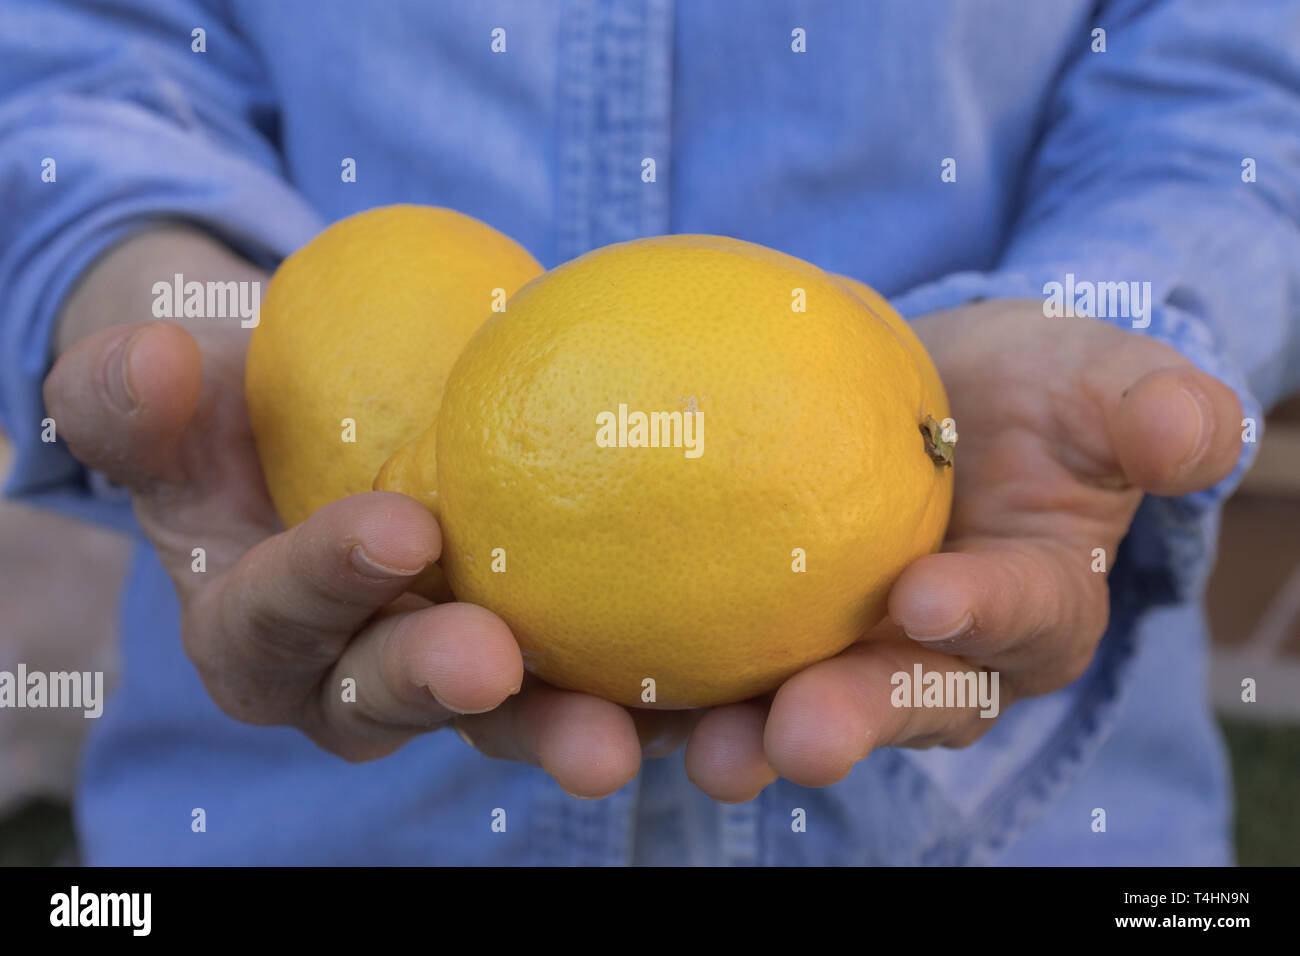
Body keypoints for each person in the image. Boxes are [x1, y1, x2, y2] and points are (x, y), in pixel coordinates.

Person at [2, 1, 1297, 865]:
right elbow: (71, 53)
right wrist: (137, 266)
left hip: (1023, 817)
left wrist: (1113, 311)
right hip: (290, 818)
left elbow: (1241, 72)